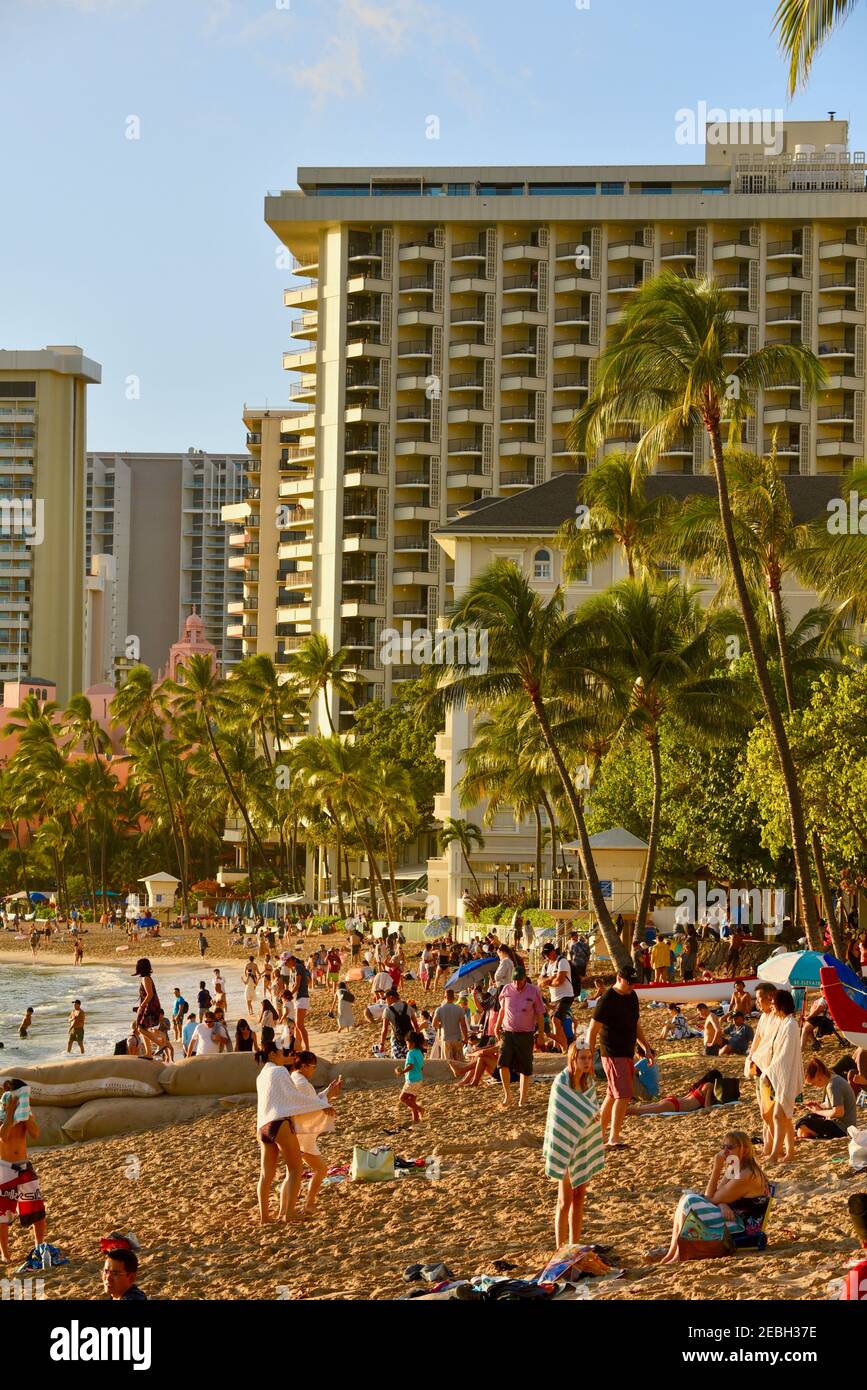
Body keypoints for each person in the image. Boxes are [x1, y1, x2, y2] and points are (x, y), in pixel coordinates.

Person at [646, 1132, 770, 1264]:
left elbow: (710, 1197)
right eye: (723, 1147)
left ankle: (678, 1255)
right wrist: (722, 1204)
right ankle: (672, 1253)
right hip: (731, 1215)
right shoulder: (736, 1166)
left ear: (744, 1150)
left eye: (730, 1147)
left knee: (691, 1201)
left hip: (742, 1226)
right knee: (685, 1198)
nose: (725, 1151)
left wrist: (716, 1168)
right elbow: (715, 1194)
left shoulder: (747, 1174)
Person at [255, 1028, 331, 1224]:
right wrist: (322, 1105)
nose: (284, 1057)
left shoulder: (261, 1075)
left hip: (262, 1126)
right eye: (281, 1054)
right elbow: (293, 1098)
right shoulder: (279, 1071)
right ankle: (289, 1213)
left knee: (266, 1174)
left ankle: (265, 1217)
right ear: (272, 1054)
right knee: (295, 1169)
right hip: (279, 1123)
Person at [543, 1038, 605, 1245]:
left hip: (584, 1143)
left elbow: (593, 1114)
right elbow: (561, 1115)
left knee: (580, 1196)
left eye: (589, 1057)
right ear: (573, 1058)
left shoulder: (589, 1085)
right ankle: (560, 1249)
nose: (587, 1062)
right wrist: (588, 1113)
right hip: (566, 1143)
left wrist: (589, 1115)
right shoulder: (561, 1083)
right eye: (583, 1058)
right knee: (564, 1200)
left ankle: (574, 1245)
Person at [588, 965, 654, 1150]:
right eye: (628, 982)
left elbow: (636, 1024)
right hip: (612, 1053)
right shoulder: (607, 999)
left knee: (612, 1095)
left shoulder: (632, 996)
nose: (631, 986)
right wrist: (588, 1056)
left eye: (634, 983)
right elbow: (593, 1030)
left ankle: (598, 1136)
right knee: (624, 1094)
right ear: (619, 977)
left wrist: (646, 1047)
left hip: (626, 1052)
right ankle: (614, 1137)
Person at [290, 1053, 343, 1213]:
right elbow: (313, 1107)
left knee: (295, 1172)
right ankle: (309, 1204)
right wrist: (328, 1099)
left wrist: (328, 1092)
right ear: (304, 1066)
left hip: (296, 1132)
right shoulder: (302, 1083)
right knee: (320, 1169)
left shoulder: (295, 1077)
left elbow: (313, 1102)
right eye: (313, 1067)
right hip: (302, 1134)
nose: (314, 1070)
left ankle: (292, 1207)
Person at [0, 1080, 46, 1263]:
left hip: (24, 1166)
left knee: (36, 1207)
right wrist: (10, 1111)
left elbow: (35, 1134)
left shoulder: (25, 1116)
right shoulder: (2, 1115)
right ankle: (5, 1254)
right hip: (4, 1169)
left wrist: (25, 1115)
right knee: (3, 1213)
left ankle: (39, 1246)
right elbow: (3, 1136)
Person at [493, 964, 545, 1109]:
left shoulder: (534, 991)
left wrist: (541, 1034)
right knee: (502, 1063)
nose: (517, 983)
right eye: (515, 980)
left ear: (525, 979)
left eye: (520, 980)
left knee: (525, 1068)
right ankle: (507, 1094)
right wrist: (496, 1026)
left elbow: (540, 1014)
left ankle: (522, 1099)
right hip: (508, 1032)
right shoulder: (506, 989)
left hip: (526, 1034)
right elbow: (503, 1009)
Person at [763, 989, 804, 1163]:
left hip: (786, 1075)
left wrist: (770, 1071)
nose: (771, 1006)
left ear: (781, 1005)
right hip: (780, 1075)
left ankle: (775, 1154)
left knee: (779, 1116)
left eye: (773, 1003)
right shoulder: (783, 1022)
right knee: (785, 1116)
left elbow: (786, 1054)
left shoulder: (790, 1024)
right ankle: (790, 1153)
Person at [795, 1056, 858, 1140]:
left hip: (843, 1128)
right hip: (842, 1124)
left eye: (813, 1083)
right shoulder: (833, 1080)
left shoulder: (833, 1085)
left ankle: (816, 1135)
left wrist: (819, 1111)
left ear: (818, 1076)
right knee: (806, 1120)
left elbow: (838, 1112)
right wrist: (819, 1107)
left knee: (802, 1123)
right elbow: (833, 1106)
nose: (815, 1086)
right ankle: (807, 1133)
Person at [628, 1069, 722, 1116]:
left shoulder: (699, 1085)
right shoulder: (710, 1085)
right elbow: (707, 1106)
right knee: (639, 1111)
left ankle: (618, 1111)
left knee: (639, 1109)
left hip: (673, 1101)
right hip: (674, 1106)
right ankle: (618, 1112)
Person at [539, 942, 574, 1052]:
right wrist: (551, 979)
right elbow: (539, 982)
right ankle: (557, 1046)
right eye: (544, 955)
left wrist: (547, 981)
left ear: (553, 951)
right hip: (555, 997)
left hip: (566, 996)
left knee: (555, 1020)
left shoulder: (562, 962)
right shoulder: (546, 965)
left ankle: (564, 1046)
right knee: (557, 1021)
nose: (546, 957)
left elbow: (559, 981)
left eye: (548, 954)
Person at [433, 987, 470, 1073]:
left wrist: (440, 1026)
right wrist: (466, 1037)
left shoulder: (440, 1009)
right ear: (453, 998)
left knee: (448, 1061)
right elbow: (463, 1025)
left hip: (446, 1038)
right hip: (456, 1037)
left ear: (444, 997)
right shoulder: (459, 1009)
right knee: (459, 1060)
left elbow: (434, 1024)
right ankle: (461, 1074)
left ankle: (450, 1075)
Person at [131, 958, 163, 1057]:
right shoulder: (146, 978)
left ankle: (160, 1044)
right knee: (143, 1028)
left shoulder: (145, 978)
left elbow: (150, 994)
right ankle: (149, 1053)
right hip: (150, 1005)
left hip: (149, 1006)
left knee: (140, 1028)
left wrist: (141, 1006)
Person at [395, 1030, 425, 1123]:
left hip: (412, 1080)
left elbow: (410, 1066)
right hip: (419, 1080)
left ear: (412, 1043)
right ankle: (415, 1120)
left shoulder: (411, 1053)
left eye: (407, 1043)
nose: (406, 1045)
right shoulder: (419, 1052)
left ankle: (420, 1109)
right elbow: (421, 1067)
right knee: (412, 1102)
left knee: (402, 1098)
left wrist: (402, 1072)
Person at [379, 989, 418, 1059]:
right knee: (410, 1061)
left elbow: (384, 1029)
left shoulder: (387, 1010)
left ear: (391, 997)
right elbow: (416, 1026)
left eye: (386, 998)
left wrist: (382, 1044)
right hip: (410, 1040)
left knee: (397, 1063)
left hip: (396, 1040)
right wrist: (418, 1041)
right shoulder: (408, 1007)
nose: (385, 1001)